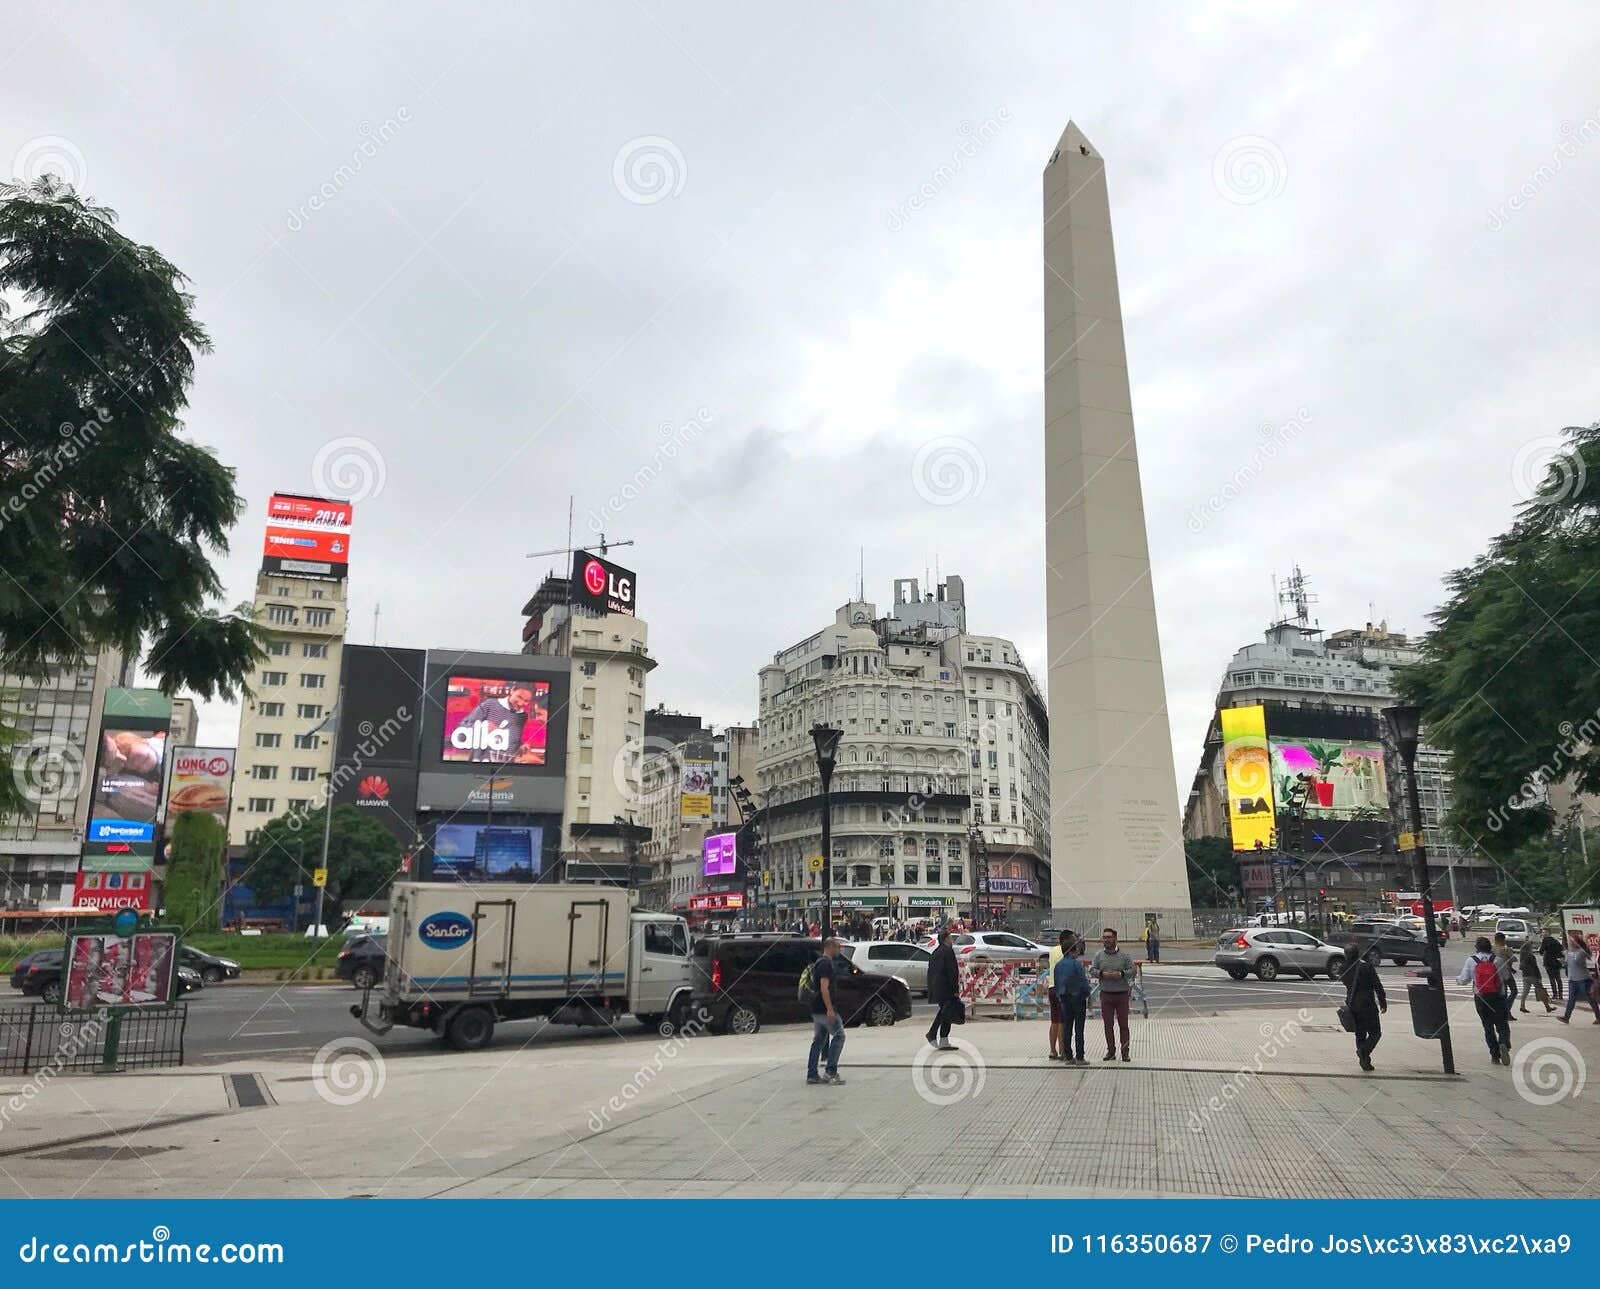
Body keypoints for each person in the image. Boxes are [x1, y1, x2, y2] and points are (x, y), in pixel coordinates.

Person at [1456, 936, 1513, 1064]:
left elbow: (1464, 979)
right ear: (1490, 947)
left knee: (1487, 1026)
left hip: (1481, 998)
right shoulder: (1497, 960)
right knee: (1502, 1025)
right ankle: (1503, 1043)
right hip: (1498, 996)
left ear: (1477, 948)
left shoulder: (1471, 961)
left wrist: (1457, 979)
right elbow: (1506, 976)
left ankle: (1494, 1055)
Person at [1091, 927, 1136, 1062]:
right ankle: (1111, 1051)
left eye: (1109, 937)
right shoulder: (1099, 955)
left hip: (1121, 994)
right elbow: (1092, 969)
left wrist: (1122, 974)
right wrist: (1100, 973)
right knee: (1108, 1025)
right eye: (1104, 937)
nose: (1106, 940)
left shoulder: (1124, 956)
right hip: (1106, 994)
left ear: (1115, 938)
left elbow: (1133, 970)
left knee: (1124, 1024)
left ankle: (1125, 1052)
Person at [1340, 943, 1387, 1071]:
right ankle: (1364, 1052)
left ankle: (1365, 1060)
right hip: (1368, 1004)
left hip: (1353, 1005)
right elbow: (1377, 985)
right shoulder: (1366, 967)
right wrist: (1382, 1001)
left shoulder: (1343, 969)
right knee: (1375, 1032)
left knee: (1360, 1033)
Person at [806, 937, 847, 1084]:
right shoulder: (826, 964)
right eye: (837, 947)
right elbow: (824, 987)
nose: (839, 950)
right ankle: (830, 1072)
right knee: (839, 1036)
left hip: (816, 1008)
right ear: (829, 947)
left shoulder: (818, 963)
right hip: (824, 1008)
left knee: (818, 1040)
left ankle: (812, 1074)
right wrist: (829, 1008)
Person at [1053, 934, 1090, 1064]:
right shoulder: (1076, 965)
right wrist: (1087, 993)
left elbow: (1056, 982)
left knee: (1067, 1028)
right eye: (1077, 950)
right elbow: (1083, 981)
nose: (1078, 952)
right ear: (1072, 951)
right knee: (1079, 1029)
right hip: (1078, 998)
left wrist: (1059, 995)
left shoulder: (1058, 965)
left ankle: (1068, 1056)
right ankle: (1080, 1057)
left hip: (1064, 998)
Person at [925, 928, 960, 1050]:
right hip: (947, 989)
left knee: (944, 1012)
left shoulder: (935, 952)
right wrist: (955, 989)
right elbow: (952, 972)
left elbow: (930, 972)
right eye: (950, 938)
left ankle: (933, 1034)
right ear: (946, 939)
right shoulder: (948, 952)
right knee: (946, 1014)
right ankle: (939, 1038)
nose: (952, 940)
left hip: (937, 988)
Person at [1556, 931, 1600, 1025]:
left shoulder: (1582, 952)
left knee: (1590, 999)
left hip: (1583, 979)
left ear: (1577, 942)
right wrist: (1562, 961)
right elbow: (1567, 964)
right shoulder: (1569, 951)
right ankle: (1566, 1017)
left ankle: (1598, 1017)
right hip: (1572, 979)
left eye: (1572, 941)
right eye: (1570, 941)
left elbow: (1578, 962)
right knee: (1571, 999)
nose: (1571, 943)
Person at [1518, 937, 1555, 1013]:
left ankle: (1522, 1005)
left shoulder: (1522, 956)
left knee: (1525, 991)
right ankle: (1547, 1006)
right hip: (1533, 975)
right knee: (1541, 990)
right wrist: (1539, 977)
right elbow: (1535, 967)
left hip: (1525, 975)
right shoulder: (1531, 956)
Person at [1046, 931, 1068, 1059]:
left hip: (1051, 987)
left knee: (1054, 1020)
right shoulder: (1065, 952)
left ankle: (1052, 1050)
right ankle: (1062, 1050)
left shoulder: (1053, 950)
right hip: (1061, 988)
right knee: (1062, 1021)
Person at [1491, 932, 1519, 1024]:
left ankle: (1503, 1011)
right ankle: (1506, 1010)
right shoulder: (1505, 949)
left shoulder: (1492, 948)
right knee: (1514, 991)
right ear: (1502, 940)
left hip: (1495, 973)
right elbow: (1514, 959)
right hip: (1506, 973)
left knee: (1503, 993)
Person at [1540, 928, 1566, 1000]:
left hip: (1548, 962)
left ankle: (1555, 994)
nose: (1543, 934)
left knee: (1552, 979)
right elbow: (1561, 951)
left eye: (1544, 932)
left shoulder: (1545, 941)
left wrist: (1544, 952)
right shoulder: (1555, 941)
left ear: (1548, 933)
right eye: (1543, 932)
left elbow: (1541, 951)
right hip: (1556, 962)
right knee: (1558, 978)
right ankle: (1561, 995)